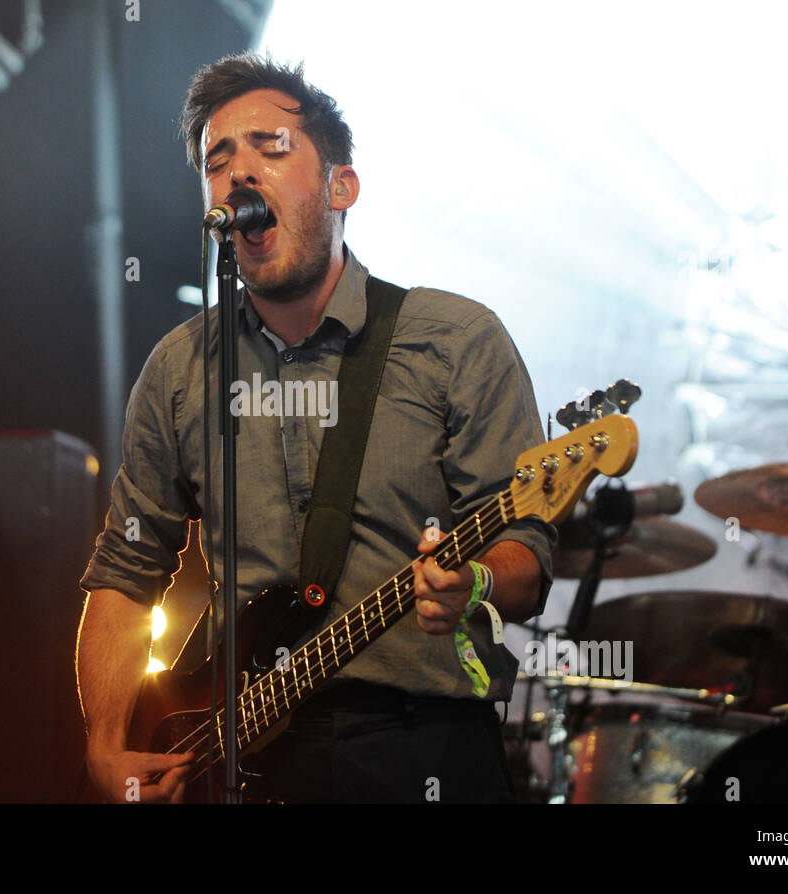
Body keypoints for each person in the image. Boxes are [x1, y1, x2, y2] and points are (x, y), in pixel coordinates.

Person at [76, 53, 555, 803]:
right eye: (217, 159)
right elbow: (124, 573)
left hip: (422, 747)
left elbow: (527, 546)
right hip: (243, 761)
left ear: (341, 186)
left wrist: (477, 580)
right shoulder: (179, 370)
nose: (238, 173)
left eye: (271, 147)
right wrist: (105, 743)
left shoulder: (454, 341)